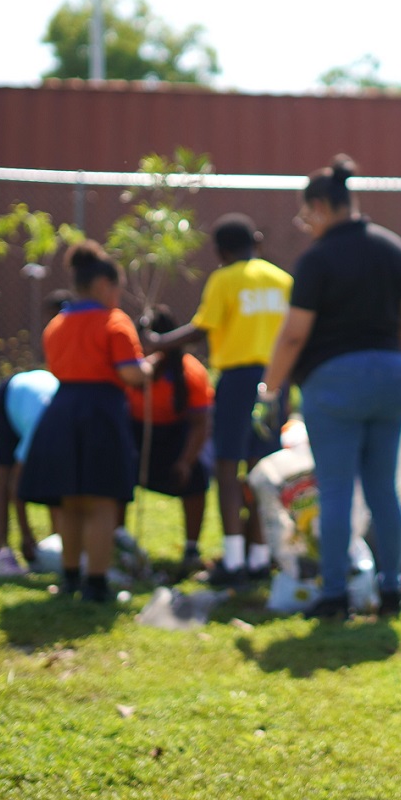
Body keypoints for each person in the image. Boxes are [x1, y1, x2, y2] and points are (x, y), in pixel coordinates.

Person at [261, 156, 401, 619]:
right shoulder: (394, 247)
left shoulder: (317, 259)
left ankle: (334, 595)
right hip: (391, 376)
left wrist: (270, 388)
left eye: (305, 215)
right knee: (383, 489)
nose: (305, 224)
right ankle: (391, 588)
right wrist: (398, 361)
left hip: (334, 383)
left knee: (334, 491)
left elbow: (293, 334)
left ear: (320, 207)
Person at [148, 214, 292, 586]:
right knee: (266, 471)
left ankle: (233, 561)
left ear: (221, 251)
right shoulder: (282, 280)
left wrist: (158, 342)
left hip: (239, 380)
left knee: (228, 469)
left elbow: (200, 329)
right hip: (276, 381)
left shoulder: (225, 278)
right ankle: (259, 560)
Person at [19, 241, 151, 602]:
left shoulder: (57, 324)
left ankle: (71, 577)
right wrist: (148, 368)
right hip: (101, 413)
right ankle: (96, 583)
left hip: (62, 411)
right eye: (117, 288)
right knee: (102, 502)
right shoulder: (114, 321)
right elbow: (129, 372)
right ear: (102, 286)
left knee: (71, 501)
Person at [128, 305, 214, 573]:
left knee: (197, 477)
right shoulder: (129, 368)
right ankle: (117, 543)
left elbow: (200, 424)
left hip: (176, 436)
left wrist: (186, 462)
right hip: (136, 432)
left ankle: (191, 548)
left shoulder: (190, 372)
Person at [0, 366, 58, 577]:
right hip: (8, 397)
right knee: (4, 477)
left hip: (34, 396)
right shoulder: (41, 426)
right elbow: (15, 485)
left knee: (58, 482)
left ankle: (56, 541)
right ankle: (1, 553)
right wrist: (26, 535)